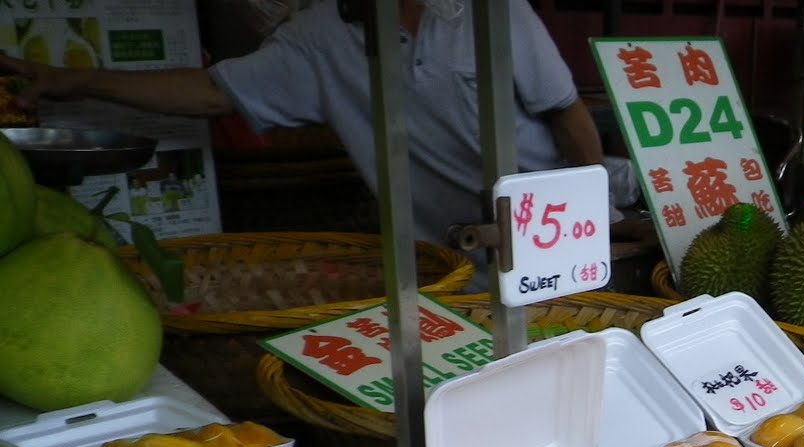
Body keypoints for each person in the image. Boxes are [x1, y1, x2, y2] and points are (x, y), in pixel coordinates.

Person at [0, 0, 604, 249]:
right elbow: (213, 92)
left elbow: (567, 115)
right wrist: (74, 79)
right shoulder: (321, 40)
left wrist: (589, 221)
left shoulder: (492, 10)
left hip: (550, 237)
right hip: (441, 261)